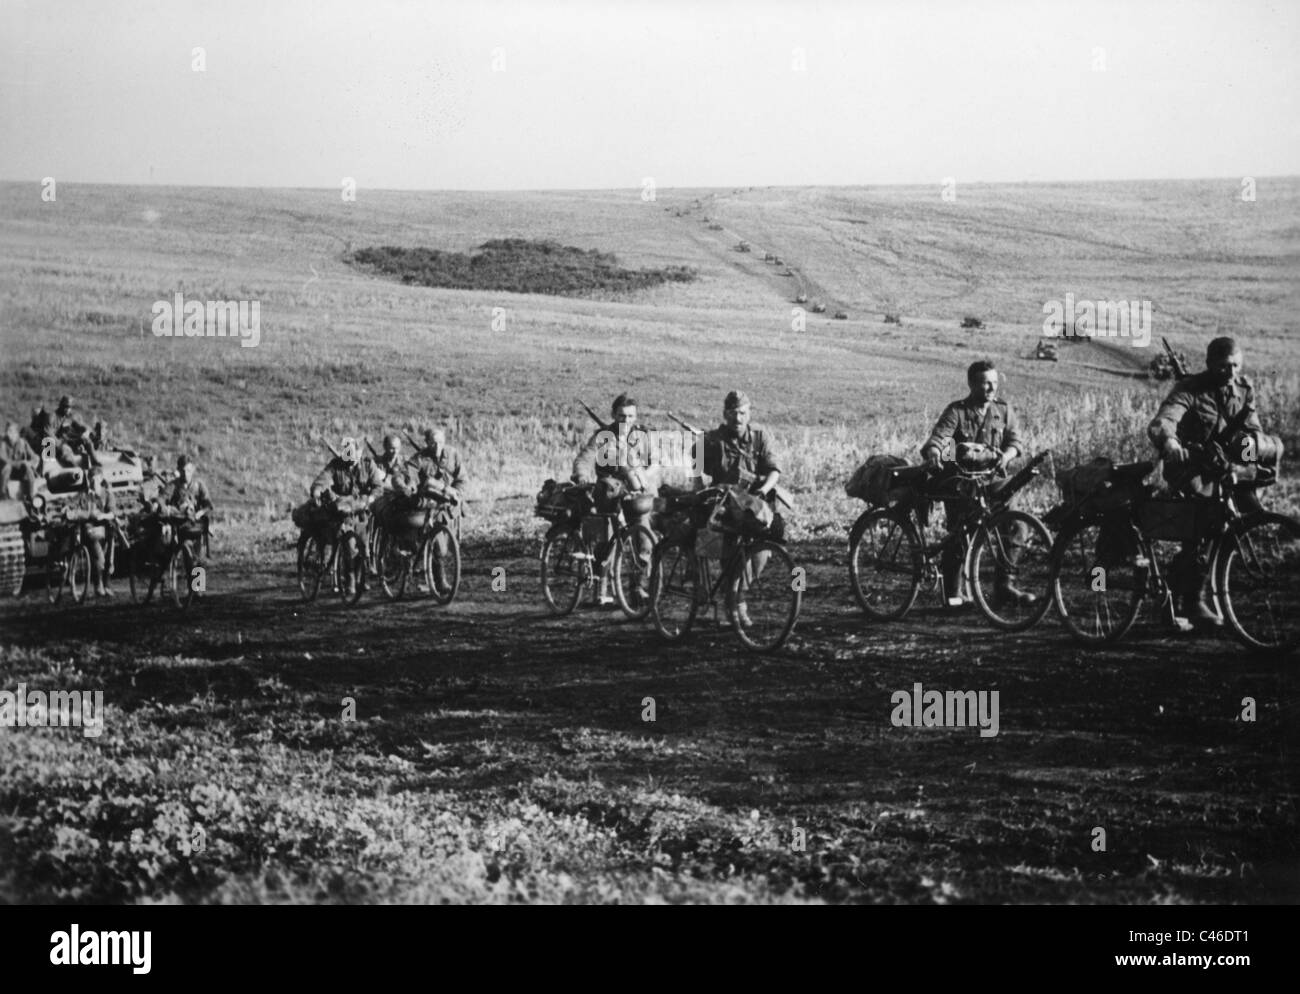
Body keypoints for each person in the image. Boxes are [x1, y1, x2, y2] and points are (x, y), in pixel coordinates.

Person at [1148, 336, 1272, 626]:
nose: (1231, 373)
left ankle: (1199, 594)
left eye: (1236, 366)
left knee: (1234, 521)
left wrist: (1248, 456)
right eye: (1224, 366)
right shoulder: (1191, 388)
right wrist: (1169, 442)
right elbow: (1165, 419)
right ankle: (1187, 599)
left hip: (1223, 467)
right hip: (1189, 469)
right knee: (1202, 523)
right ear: (1210, 364)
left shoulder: (1243, 390)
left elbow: (1253, 430)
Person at [921, 360, 1033, 608]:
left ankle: (1005, 587)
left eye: (994, 382)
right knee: (962, 534)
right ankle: (953, 595)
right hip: (963, 484)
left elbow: (1016, 442)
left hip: (994, 481)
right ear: (972, 384)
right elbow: (939, 438)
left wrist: (1007, 455)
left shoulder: (1003, 410)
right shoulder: (957, 411)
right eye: (985, 383)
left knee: (1017, 526)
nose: (991, 388)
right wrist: (936, 454)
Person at [693, 390, 782, 627]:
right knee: (731, 557)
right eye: (732, 413)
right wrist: (698, 483)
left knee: (761, 555)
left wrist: (764, 490)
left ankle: (736, 598)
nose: (738, 418)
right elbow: (696, 463)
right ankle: (732, 606)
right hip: (726, 506)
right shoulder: (714, 440)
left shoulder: (760, 438)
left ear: (749, 414)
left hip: (755, 504)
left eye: (742, 413)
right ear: (725, 414)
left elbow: (774, 470)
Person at [572, 394, 652, 607]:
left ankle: (638, 587)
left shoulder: (642, 436)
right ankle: (602, 589)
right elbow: (585, 458)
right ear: (613, 415)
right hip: (609, 490)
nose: (626, 421)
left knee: (644, 539)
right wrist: (581, 476)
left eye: (630, 416)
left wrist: (639, 471)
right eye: (622, 416)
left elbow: (652, 463)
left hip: (634, 492)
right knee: (607, 539)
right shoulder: (603, 436)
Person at [408, 428, 467, 596]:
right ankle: (439, 581)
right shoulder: (419, 459)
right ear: (427, 442)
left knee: (451, 544)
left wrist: (455, 493)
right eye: (433, 443)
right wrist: (411, 487)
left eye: (440, 442)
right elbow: (410, 476)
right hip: (429, 506)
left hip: (449, 507)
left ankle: (431, 575)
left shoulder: (453, 455)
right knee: (438, 547)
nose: (437, 446)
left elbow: (462, 478)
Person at [0, 422, 39, 500]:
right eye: (7, 431)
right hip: (4, 472)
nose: (9, 433)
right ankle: (2, 494)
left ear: (16, 433)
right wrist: (21, 463)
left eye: (11, 431)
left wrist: (30, 463)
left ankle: (30, 495)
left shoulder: (22, 442)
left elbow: (34, 456)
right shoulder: (2, 443)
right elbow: (4, 459)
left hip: (19, 472)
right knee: (7, 467)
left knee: (27, 467)